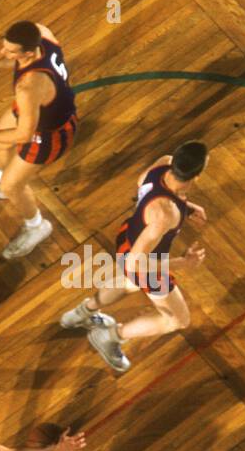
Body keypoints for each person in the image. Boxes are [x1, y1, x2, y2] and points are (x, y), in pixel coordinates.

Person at [60, 142, 209, 373]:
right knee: (177, 320)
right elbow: (136, 263)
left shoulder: (163, 162)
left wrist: (186, 207)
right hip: (142, 263)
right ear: (197, 175)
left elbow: (142, 184)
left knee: (129, 281)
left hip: (127, 238)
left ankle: (82, 313)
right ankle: (110, 336)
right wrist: (183, 263)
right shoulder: (165, 213)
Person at [0, 21, 79, 259]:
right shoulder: (42, 34)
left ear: (28, 53)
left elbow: (24, 135)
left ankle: (37, 227)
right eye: (4, 47)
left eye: (10, 52)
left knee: (13, 185)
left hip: (50, 134)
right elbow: (28, 34)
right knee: (1, 141)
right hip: (38, 110)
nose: (4, 52)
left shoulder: (29, 87)